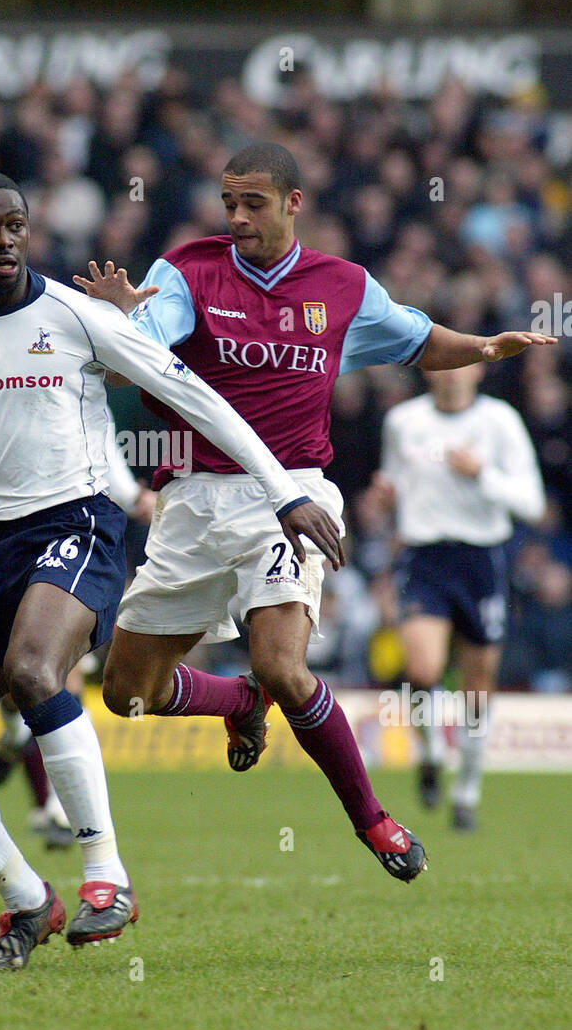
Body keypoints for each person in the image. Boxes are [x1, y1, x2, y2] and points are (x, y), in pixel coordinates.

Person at [0, 170, 341, 970]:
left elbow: (191, 392)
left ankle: (107, 876)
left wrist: (281, 494)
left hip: (80, 521)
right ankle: (29, 901)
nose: (2, 241)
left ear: (28, 233)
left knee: (34, 669)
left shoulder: (75, 315)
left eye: (15, 227)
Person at [75, 142, 554, 883]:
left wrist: (486, 347)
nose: (236, 217)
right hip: (192, 499)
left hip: (288, 497)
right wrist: (118, 327)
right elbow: (146, 346)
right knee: (125, 692)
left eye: (253, 203)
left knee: (282, 665)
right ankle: (235, 700)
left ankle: (373, 820)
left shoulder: (342, 286)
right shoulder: (187, 271)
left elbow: (419, 340)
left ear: (293, 203)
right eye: (228, 202)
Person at [0, 426, 155, 848]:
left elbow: (120, 484)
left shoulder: (79, 386)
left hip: (67, 549)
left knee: (53, 673)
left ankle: (55, 806)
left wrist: (146, 500)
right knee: (21, 679)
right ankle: (16, 734)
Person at [372, 364, 545, 829]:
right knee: (423, 668)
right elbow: (392, 481)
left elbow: (531, 500)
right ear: (428, 370)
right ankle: (430, 753)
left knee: (477, 684)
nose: (451, 375)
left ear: (479, 370)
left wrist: (481, 473)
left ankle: (466, 788)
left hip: (481, 559)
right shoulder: (403, 421)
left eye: (461, 365)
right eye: (442, 365)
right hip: (424, 557)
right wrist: (386, 498)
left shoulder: (499, 421)